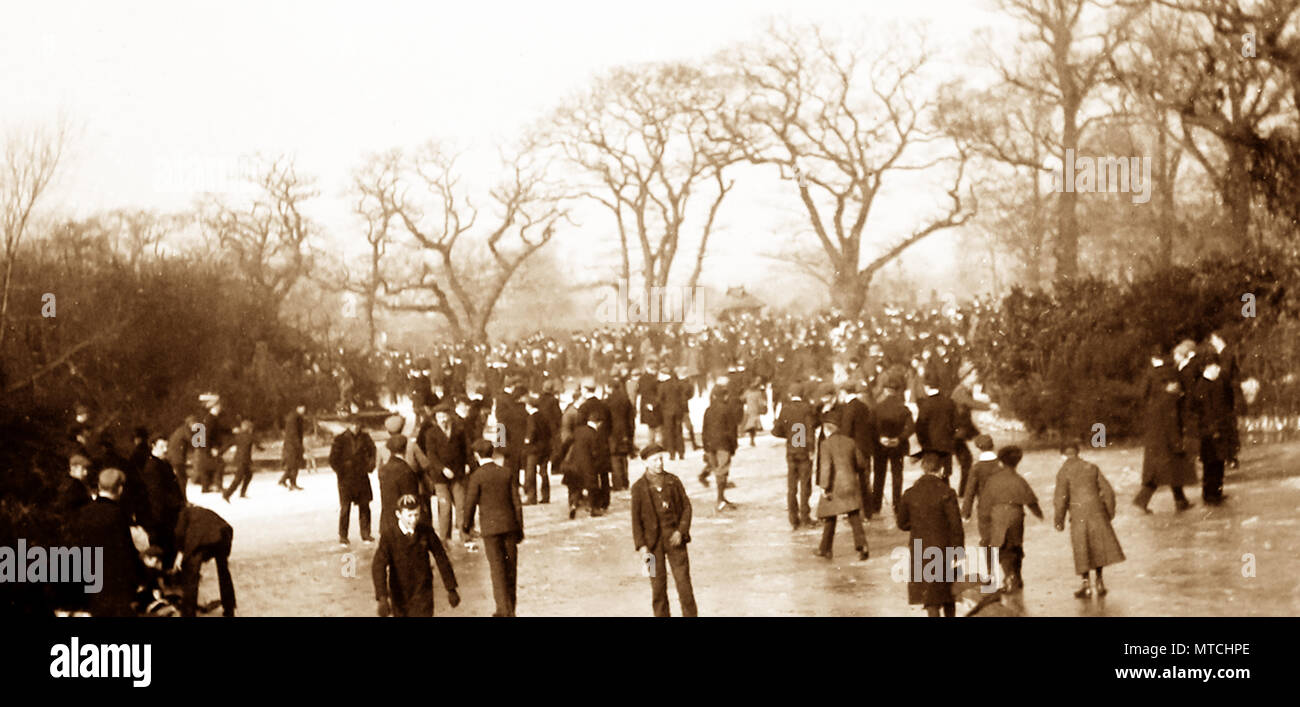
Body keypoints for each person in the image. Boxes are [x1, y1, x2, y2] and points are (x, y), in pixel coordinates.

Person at [630, 443, 697, 617]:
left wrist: (680, 532)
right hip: (651, 547)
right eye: (654, 460)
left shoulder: (673, 481)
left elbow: (686, 508)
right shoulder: (638, 488)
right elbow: (635, 521)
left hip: (675, 540)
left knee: (684, 586)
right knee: (657, 588)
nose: (659, 463)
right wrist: (642, 547)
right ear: (644, 462)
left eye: (661, 458)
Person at [1052, 441, 1125, 598]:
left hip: (1079, 515)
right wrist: (1109, 513)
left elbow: (1061, 498)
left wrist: (1059, 520)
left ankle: (1085, 585)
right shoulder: (1091, 467)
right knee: (1098, 546)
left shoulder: (1064, 471)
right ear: (1078, 452)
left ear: (1063, 454)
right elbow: (1109, 492)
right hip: (1097, 513)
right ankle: (1099, 582)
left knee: (1082, 548)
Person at [896, 452, 964, 617]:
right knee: (948, 594)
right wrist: (959, 552)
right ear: (940, 470)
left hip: (920, 549)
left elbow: (902, 523)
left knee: (930, 598)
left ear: (923, 468)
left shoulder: (910, 493)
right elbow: (956, 526)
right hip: (945, 548)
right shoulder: (947, 492)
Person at [373, 493, 461, 617]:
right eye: (409, 515)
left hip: (423, 590)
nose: (413, 520)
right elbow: (378, 565)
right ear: (398, 514)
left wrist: (451, 588)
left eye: (416, 515)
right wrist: (382, 597)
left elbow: (441, 557)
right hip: (400, 593)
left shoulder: (426, 531)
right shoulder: (389, 536)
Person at [463, 439, 524, 617]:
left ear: (476, 455)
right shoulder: (506, 472)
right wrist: (519, 528)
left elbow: (470, 503)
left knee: (497, 570)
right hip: (509, 526)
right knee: (511, 568)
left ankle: (503, 610)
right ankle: (510, 608)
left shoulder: (477, 476)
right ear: (492, 453)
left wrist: (466, 525)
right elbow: (517, 503)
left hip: (490, 530)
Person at [73, 469, 146, 617]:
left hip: (89, 580)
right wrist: (141, 576)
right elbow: (126, 552)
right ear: (120, 489)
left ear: (99, 486)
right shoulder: (117, 515)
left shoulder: (84, 512)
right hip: (113, 584)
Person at [1134, 359, 1195, 513]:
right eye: (1174, 383)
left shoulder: (1157, 400)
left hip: (1157, 444)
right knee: (1164, 474)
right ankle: (1143, 501)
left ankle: (1181, 501)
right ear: (1168, 384)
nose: (1178, 385)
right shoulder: (1170, 401)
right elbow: (1172, 424)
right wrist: (1177, 443)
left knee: (1168, 473)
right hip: (1167, 444)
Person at [983, 446, 1043, 592]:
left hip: (998, 515)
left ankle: (1009, 577)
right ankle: (1017, 577)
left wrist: (984, 522)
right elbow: (1031, 500)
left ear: (1001, 462)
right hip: (1016, 515)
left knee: (1003, 549)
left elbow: (985, 504)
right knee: (1016, 546)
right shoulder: (1018, 479)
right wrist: (1039, 514)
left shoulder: (993, 480)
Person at [812, 414, 870, 561]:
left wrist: (824, 486)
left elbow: (826, 467)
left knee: (830, 516)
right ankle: (862, 546)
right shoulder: (850, 441)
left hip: (834, 486)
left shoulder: (826, 444)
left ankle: (825, 549)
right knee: (854, 517)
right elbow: (861, 463)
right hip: (850, 484)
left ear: (826, 429)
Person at [174, 503, 236, 617]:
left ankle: (188, 613)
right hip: (223, 534)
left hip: (202, 540)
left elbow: (180, 535)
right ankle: (229, 608)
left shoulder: (183, 514)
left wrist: (181, 555)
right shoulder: (201, 510)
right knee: (224, 571)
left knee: (191, 576)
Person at [772, 383, 819, 530]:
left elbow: (777, 430)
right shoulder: (807, 408)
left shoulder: (785, 409)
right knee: (805, 485)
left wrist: (787, 434)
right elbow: (811, 429)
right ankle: (805, 516)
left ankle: (793, 519)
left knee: (791, 486)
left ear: (791, 394)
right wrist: (811, 448)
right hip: (804, 451)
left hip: (791, 451)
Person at [1192, 354, 1234, 505]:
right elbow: (1206, 412)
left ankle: (1216, 492)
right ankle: (1209, 495)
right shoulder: (1202, 386)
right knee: (1210, 465)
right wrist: (1213, 429)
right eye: (1216, 367)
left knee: (1219, 463)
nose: (1218, 370)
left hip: (1218, 430)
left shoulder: (1217, 383)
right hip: (1209, 433)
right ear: (1209, 367)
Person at [425, 405, 470, 541]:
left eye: (445, 416)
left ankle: (464, 534)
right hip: (440, 477)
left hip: (458, 473)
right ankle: (445, 537)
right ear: (435, 419)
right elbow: (431, 456)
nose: (443, 420)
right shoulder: (431, 433)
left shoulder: (459, 431)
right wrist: (442, 469)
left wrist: (468, 464)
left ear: (449, 416)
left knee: (461, 505)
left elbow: (466, 449)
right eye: (439, 417)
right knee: (445, 508)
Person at [140, 436, 185, 571]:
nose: (165, 450)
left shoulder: (162, 463)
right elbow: (157, 495)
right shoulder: (152, 466)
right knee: (163, 548)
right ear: (153, 446)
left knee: (169, 546)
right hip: (160, 517)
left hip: (167, 514)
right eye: (162, 447)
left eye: (166, 446)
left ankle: (168, 574)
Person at [330, 417, 377, 546]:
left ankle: (366, 534)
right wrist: (341, 470)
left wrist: (370, 466)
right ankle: (343, 536)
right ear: (348, 425)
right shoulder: (340, 439)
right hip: (346, 479)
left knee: (365, 506)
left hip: (362, 477)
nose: (355, 427)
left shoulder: (366, 438)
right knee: (345, 508)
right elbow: (333, 459)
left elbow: (373, 452)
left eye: (357, 424)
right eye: (353, 424)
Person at [958, 434, 1000, 578]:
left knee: (987, 540)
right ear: (993, 446)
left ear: (978, 448)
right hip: (1003, 507)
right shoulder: (1001, 465)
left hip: (985, 509)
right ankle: (1012, 574)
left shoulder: (976, 468)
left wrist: (966, 513)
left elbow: (969, 491)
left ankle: (990, 572)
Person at [871, 381, 913, 515]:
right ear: (897, 391)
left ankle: (876, 504)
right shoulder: (903, 408)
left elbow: (871, 427)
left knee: (879, 475)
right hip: (897, 446)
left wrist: (880, 438)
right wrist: (899, 438)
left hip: (880, 446)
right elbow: (911, 427)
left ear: (885, 390)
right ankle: (897, 504)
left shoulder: (877, 408)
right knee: (897, 474)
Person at [915, 376, 957, 483]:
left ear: (927, 387)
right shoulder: (949, 402)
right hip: (946, 444)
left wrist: (923, 443)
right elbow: (955, 423)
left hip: (930, 445)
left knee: (931, 475)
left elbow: (920, 427)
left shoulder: (925, 404)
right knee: (945, 476)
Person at [701, 387, 737, 512]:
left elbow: (704, 429)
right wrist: (733, 446)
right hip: (724, 444)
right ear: (725, 396)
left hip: (711, 444)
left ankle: (721, 497)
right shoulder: (727, 410)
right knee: (722, 470)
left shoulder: (708, 410)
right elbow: (732, 430)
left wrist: (705, 445)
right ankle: (720, 499)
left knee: (717, 469)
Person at [377, 434, 419, 539]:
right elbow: (410, 499)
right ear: (404, 449)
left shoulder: (383, 470)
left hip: (386, 522)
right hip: (403, 524)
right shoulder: (406, 471)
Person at [606, 375, 636, 491]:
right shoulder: (625, 399)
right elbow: (631, 417)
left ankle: (618, 483)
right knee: (623, 458)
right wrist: (631, 432)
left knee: (615, 458)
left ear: (610, 387)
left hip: (613, 432)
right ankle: (625, 481)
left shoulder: (608, 401)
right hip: (625, 431)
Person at [522, 396, 552, 505]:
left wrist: (527, 440)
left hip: (534, 449)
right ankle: (546, 496)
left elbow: (532, 431)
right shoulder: (543, 416)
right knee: (544, 472)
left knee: (531, 472)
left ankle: (532, 496)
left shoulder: (531, 417)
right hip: (545, 447)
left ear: (529, 405)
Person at [222, 419, 258, 502]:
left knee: (248, 475)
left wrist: (220, 452)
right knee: (238, 478)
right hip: (244, 460)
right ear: (249, 428)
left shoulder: (238, 436)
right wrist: (262, 448)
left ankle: (242, 493)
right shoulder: (249, 436)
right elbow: (257, 444)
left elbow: (228, 444)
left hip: (239, 459)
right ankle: (227, 494)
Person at [278, 404, 306, 490]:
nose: (304, 410)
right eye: (303, 408)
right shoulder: (295, 418)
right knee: (294, 465)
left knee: (292, 465)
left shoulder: (293, 417)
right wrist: (299, 446)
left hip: (290, 445)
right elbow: (294, 433)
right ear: (298, 407)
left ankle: (285, 481)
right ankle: (291, 483)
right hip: (293, 446)